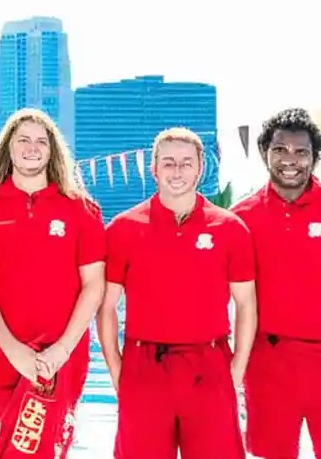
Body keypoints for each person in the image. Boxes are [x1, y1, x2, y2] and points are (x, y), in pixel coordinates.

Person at [97, 127, 256, 459]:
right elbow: (106, 306)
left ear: (201, 167)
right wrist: (117, 369)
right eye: (168, 163)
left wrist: (236, 370)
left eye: (186, 162)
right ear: (153, 169)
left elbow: (246, 304)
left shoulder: (229, 229)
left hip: (210, 365)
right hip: (144, 368)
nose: (178, 171)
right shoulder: (125, 228)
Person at [0, 108, 105, 459]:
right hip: (2, 352)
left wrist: (61, 350)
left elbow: (94, 287)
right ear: (7, 148)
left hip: (65, 354)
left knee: (51, 448)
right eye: (23, 140)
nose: (32, 147)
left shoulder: (81, 209)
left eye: (41, 141)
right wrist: (12, 348)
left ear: (53, 150)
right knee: (9, 443)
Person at [231, 108, 321, 459]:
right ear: (265, 153)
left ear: (316, 157)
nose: (289, 159)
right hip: (268, 363)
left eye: (300, 151)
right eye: (280, 150)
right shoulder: (241, 218)